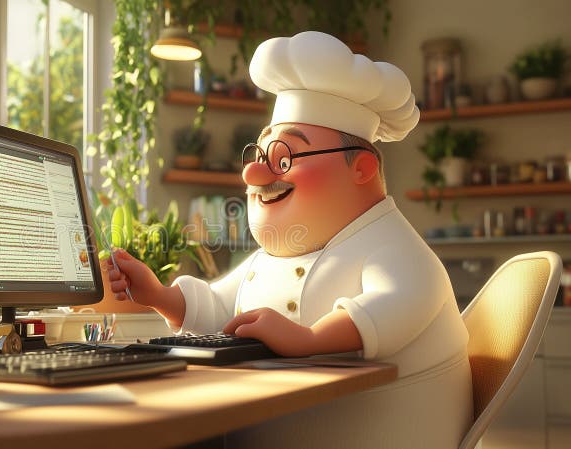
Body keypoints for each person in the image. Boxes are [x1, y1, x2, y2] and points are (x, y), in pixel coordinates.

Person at [105, 31, 472, 448]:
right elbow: (225, 306)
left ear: (362, 169)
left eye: (283, 159)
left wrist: (312, 339)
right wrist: (158, 294)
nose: (255, 175)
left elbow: (398, 301)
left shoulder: (392, 243)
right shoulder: (274, 255)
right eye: (259, 157)